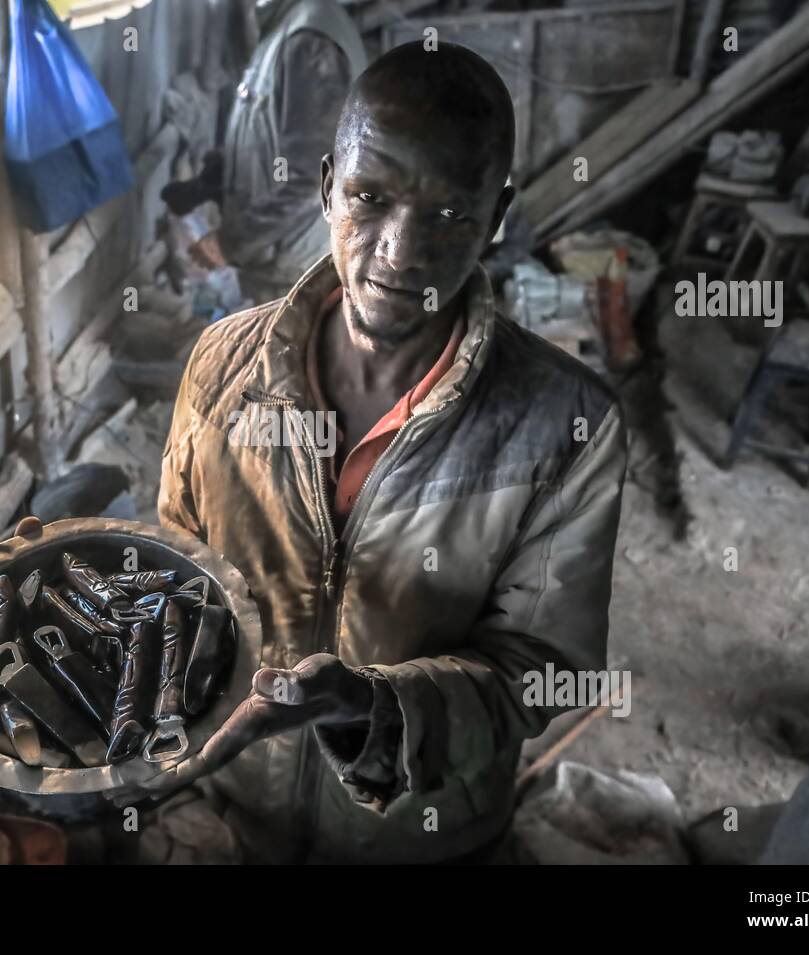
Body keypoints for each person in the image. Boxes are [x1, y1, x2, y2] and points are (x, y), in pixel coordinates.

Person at [126, 41, 628, 864]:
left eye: (449, 214)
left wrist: (371, 709)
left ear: (496, 218)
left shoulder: (565, 424)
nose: (399, 251)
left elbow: (545, 673)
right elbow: (183, 568)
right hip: (229, 808)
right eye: (370, 196)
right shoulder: (220, 365)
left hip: (416, 833)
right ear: (328, 186)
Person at [162, 0, 367, 304]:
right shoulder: (286, 27)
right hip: (284, 262)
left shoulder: (310, 41)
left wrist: (230, 242)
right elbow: (273, 137)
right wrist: (213, 180)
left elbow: (314, 177)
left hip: (298, 267)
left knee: (284, 351)